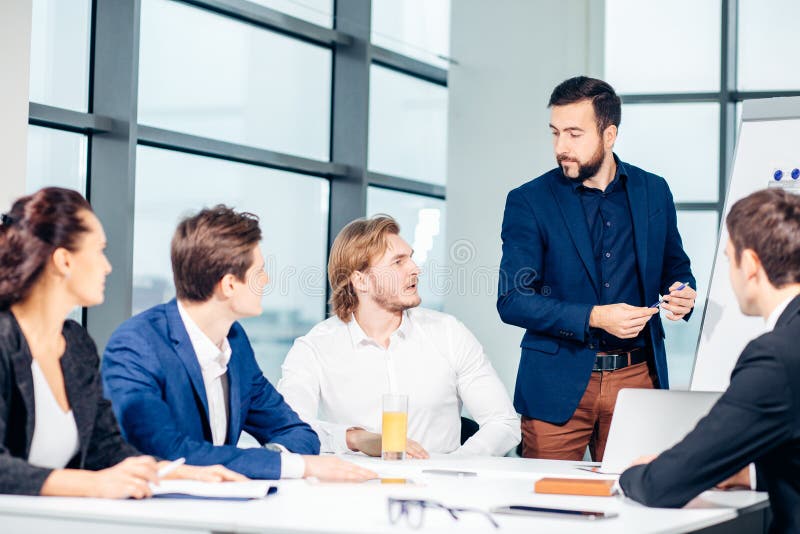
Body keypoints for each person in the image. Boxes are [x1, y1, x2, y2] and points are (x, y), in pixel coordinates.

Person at [497, 75, 698, 461]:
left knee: (636, 505)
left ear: (609, 135)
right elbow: (512, 300)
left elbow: (676, 267)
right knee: (547, 512)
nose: (561, 147)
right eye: (555, 133)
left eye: (574, 134)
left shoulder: (654, 191)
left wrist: (682, 292)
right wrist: (595, 316)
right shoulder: (529, 200)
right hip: (556, 385)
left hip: (638, 381)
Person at [0, 187, 244, 498]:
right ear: (64, 260)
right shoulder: (4, 338)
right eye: (99, 250)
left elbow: (106, 448)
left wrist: (183, 473)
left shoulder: (76, 344)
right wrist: (93, 484)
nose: (107, 266)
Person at [102, 206, 376, 482]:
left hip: (225, 506)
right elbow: (169, 453)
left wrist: (270, 459)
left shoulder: (235, 342)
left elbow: (297, 431)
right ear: (229, 285)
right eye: (260, 272)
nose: (267, 280)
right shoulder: (138, 345)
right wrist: (296, 466)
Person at [620, 188, 800, 534]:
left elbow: (664, 485)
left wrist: (631, 474)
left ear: (750, 265)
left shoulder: (775, 357)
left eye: (729, 258)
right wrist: (746, 474)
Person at [278, 215, 520, 457]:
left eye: (410, 258)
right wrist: (355, 438)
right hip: (356, 488)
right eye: (398, 262)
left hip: (440, 487)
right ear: (360, 280)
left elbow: (503, 423)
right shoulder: (314, 347)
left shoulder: (448, 333)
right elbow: (288, 429)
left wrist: (453, 466)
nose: (415, 269)